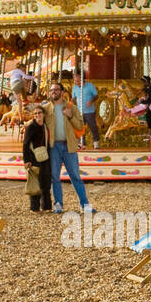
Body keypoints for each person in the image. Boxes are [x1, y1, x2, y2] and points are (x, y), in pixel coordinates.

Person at [42, 81, 93, 213]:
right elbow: (37, 121)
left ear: (62, 92)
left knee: (75, 175)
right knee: (54, 176)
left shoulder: (72, 107)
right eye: (52, 90)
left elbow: (80, 126)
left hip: (68, 145)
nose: (54, 92)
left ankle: (84, 203)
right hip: (54, 146)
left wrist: (70, 116)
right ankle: (58, 203)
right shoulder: (46, 108)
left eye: (57, 89)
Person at [22, 104, 52, 212]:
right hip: (34, 158)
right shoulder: (31, 127)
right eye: (35, 113)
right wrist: (27, 160)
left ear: (43, 114)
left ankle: (46, 206)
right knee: (35, 182)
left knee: (46, 182)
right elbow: (25, 144)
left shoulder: (45, 126)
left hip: (45, 157)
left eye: (39, 113)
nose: (37, 115)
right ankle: (34, 207)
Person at [72, 76, 100, 149]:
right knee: (80, 127)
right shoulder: (75, 87)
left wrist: (91, 101)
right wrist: (73, 103)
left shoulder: (90, 86)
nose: (76, 83)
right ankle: (81, 142)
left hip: (89, 111)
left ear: (82, 80)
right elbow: (74, 98)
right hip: (80, 111)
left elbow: (96, 96)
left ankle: (96, 141)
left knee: (93, 126)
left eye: (77, 81)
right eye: (75, 81)